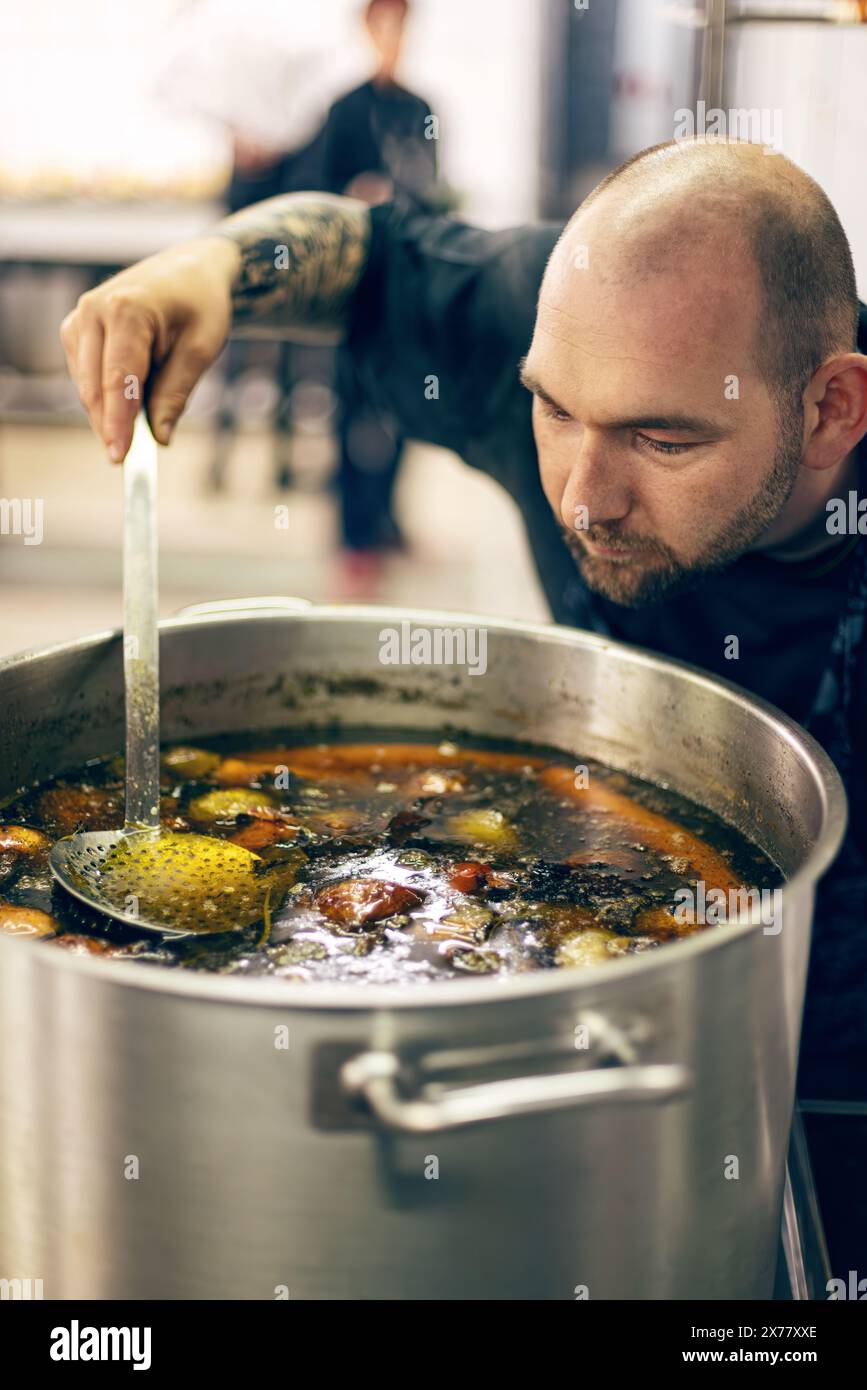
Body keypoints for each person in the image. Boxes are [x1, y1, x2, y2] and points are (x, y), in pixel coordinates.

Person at [60, 136, 867, 1270]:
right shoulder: (569, 316)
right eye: (553, 411)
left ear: (833, 407)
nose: (585, 499)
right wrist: (208, 265)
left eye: (660, 436)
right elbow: (370, 253)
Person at [322, 0, 440, 559]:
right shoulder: (344, 110)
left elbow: (433, 189)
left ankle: (389, 515)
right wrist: (355, 198)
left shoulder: (422, 110)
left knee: (404, 402)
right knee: (354, 405)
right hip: (359, 281)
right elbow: (318, 191)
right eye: (383, 25)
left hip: (407, 281)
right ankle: (353, 527)